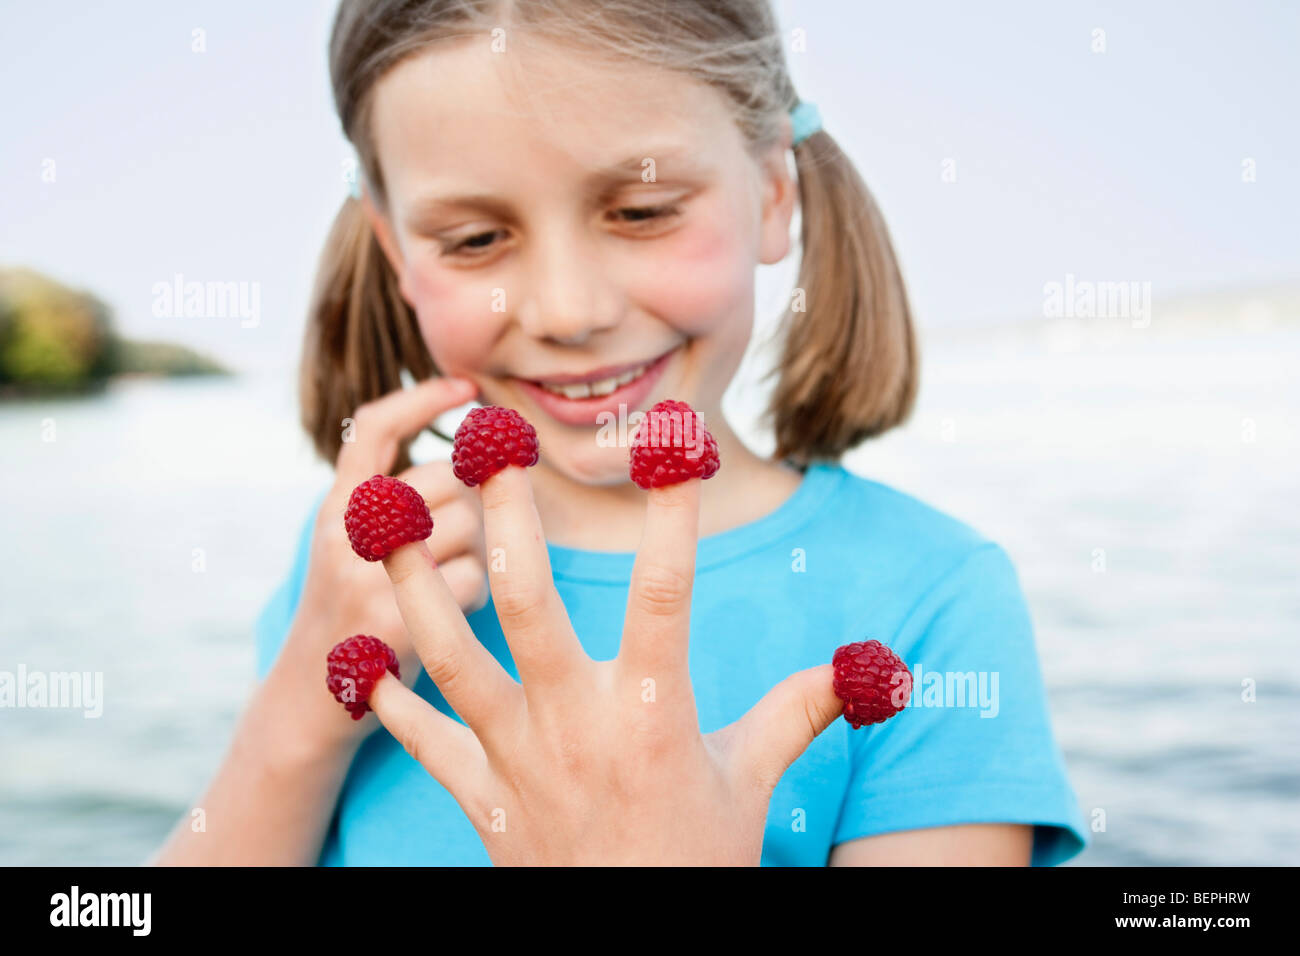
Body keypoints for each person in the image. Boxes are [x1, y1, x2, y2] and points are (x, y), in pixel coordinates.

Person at [153, 0, 1088, 866]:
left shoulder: (932, 598)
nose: (569, 310)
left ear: (772, 192)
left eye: (641, 212)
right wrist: (296, 716)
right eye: (474, 240)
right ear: (395, 249)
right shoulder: (366, 577)